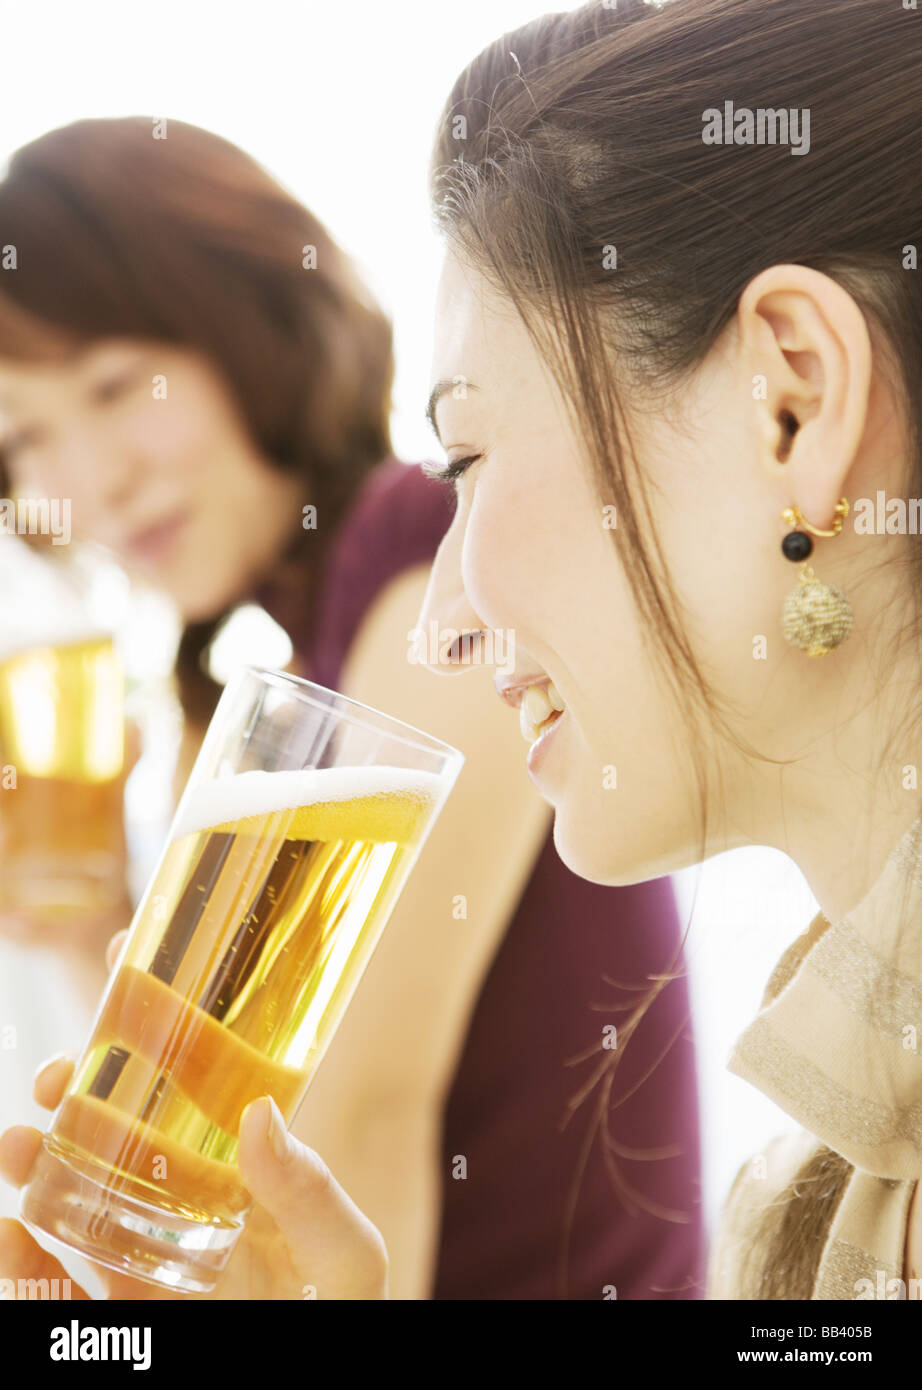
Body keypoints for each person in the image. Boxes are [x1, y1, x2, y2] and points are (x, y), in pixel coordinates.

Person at [0, 114, 704, 1298]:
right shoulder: (244, 680)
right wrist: (90, 935)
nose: (88, 483)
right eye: (23, 441)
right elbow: (218, 1130)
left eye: (120, 387)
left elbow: (350, 1125)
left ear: (248, 323)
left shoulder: (426, 559)